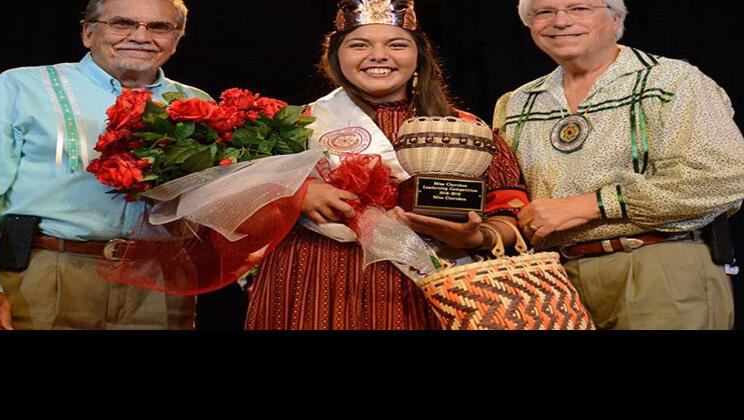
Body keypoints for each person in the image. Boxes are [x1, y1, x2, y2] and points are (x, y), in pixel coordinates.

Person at [246, 0, 530, 330]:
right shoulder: (296, 125)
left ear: (420, 55)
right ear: (336, 56)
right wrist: (297, 193)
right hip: (314, 283)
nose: (379, 55)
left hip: (430, 290)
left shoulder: (468, 130)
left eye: (397, 44)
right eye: (359, 45)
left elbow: (510, 217)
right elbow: (241, 207)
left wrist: (475, 237)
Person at [0, 0, 209, 330]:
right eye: (122, 23)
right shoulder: (21, 88)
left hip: (157, 285)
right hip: (43, 273)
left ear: (177, 38)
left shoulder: (199, 107)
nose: (141, 36)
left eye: (159, 27)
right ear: (88, 32)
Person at [493, 0, 744, 329]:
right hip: (552, 279)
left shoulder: (672, 81)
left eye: (579, 8)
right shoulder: (517, 103)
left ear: (615, 18)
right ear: (530, 25)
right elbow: (506, 192)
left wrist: (592, 205)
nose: (561, 21)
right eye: (544, 12)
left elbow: (720, 180)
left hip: (658, 266)